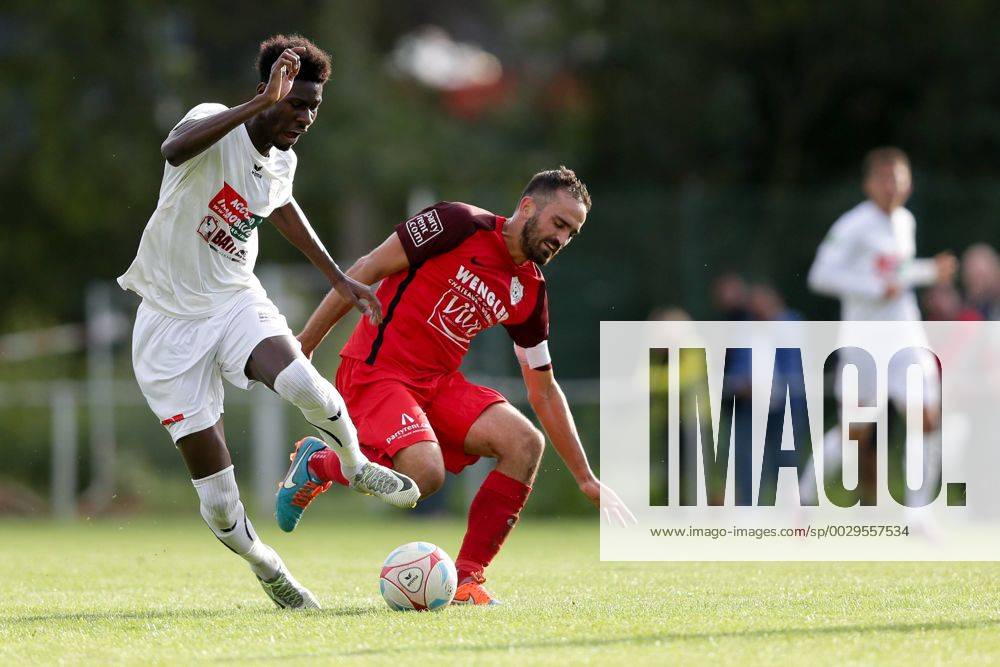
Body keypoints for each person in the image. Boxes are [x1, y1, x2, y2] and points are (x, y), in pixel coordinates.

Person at [117, 35, 420, 610]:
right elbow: (172, 149)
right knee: (219, 504)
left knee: (305, 382)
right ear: (265, 92)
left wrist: (339, 278)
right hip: (167, 327)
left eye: (313, 107)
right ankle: (269, 568)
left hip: (233, 300)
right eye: (294, 102)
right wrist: (259, 106)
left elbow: (280, 204)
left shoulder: (283, 158)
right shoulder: (214, 120)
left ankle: (354, 466)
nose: (303, 117)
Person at [276, 167, 634, 605]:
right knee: (426, 475)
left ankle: (467, 580)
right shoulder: (457, 223)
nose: (562, 239)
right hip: (377, 370)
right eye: (559, 224)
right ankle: (320, 465)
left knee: (524, 443)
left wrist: (586, 477)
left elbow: (543, 389)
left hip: (438, 385)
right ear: (527, 208)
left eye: (572, 233)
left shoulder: (529, 291)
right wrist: (304, 347)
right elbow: (365, 269)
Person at [807, 147, 956, 512]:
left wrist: (927, 273)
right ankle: (805, 497)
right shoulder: (852, 225)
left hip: (905, 334)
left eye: (899, 178)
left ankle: (919, 516)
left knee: (926, 415)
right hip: (865, 341)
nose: (893, 186)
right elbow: (820, 276)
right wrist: (874, 289)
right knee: (854, 430)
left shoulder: (905, 221)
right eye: (885, 179)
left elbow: (896, 273)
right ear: (869, 184)